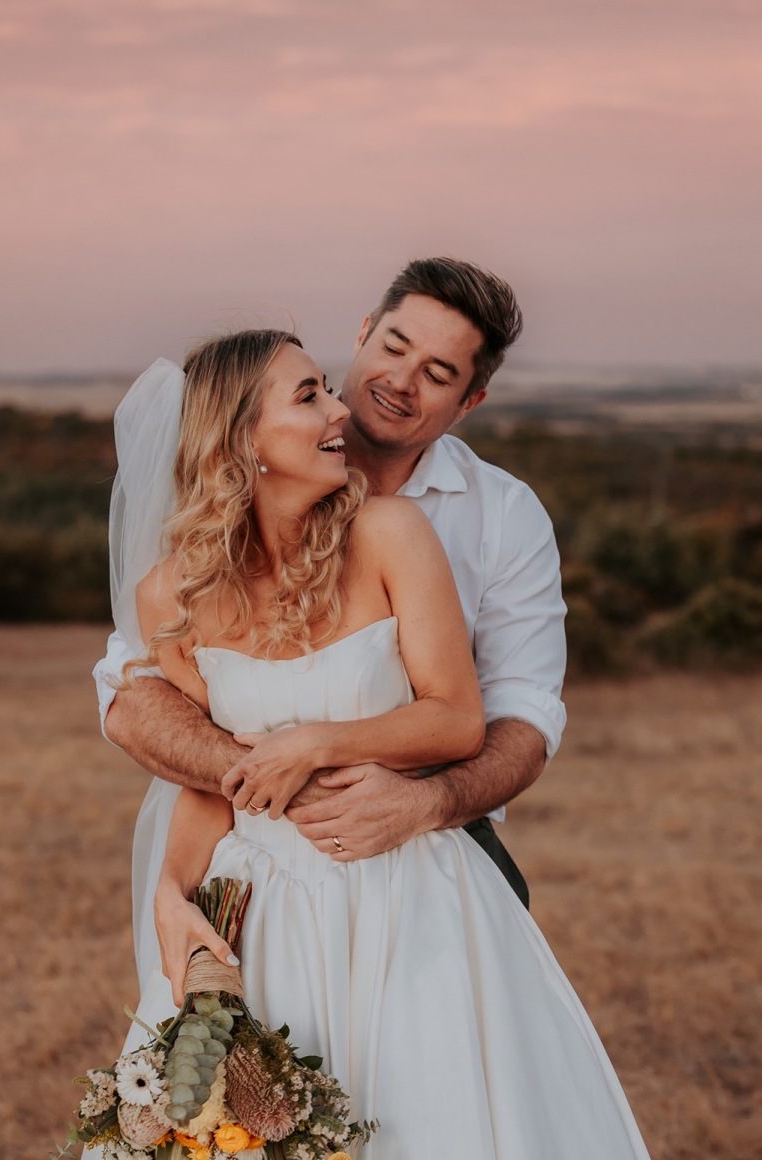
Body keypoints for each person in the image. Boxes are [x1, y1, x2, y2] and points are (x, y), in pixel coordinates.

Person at [0, 328, 762, 1160]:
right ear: (241, 440)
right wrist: (174, 899)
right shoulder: (172, 591)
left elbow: (453, 714)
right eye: (308, 394)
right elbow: (202, 779)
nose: (339, 409)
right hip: (264, 922)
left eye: (327, 389)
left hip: (410, 906)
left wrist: (317, 741)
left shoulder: (387, 534)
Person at [94, 258, 567, 969]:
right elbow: (133, 695)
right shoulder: (196, 549)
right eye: (395, 347)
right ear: (365, 331)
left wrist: (425, 802)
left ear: (470, 400)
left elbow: (520, 712)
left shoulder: (493, 515)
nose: (399, 382)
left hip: (424, 860)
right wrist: (186, 866)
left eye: (438, 374)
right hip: (260, 879)